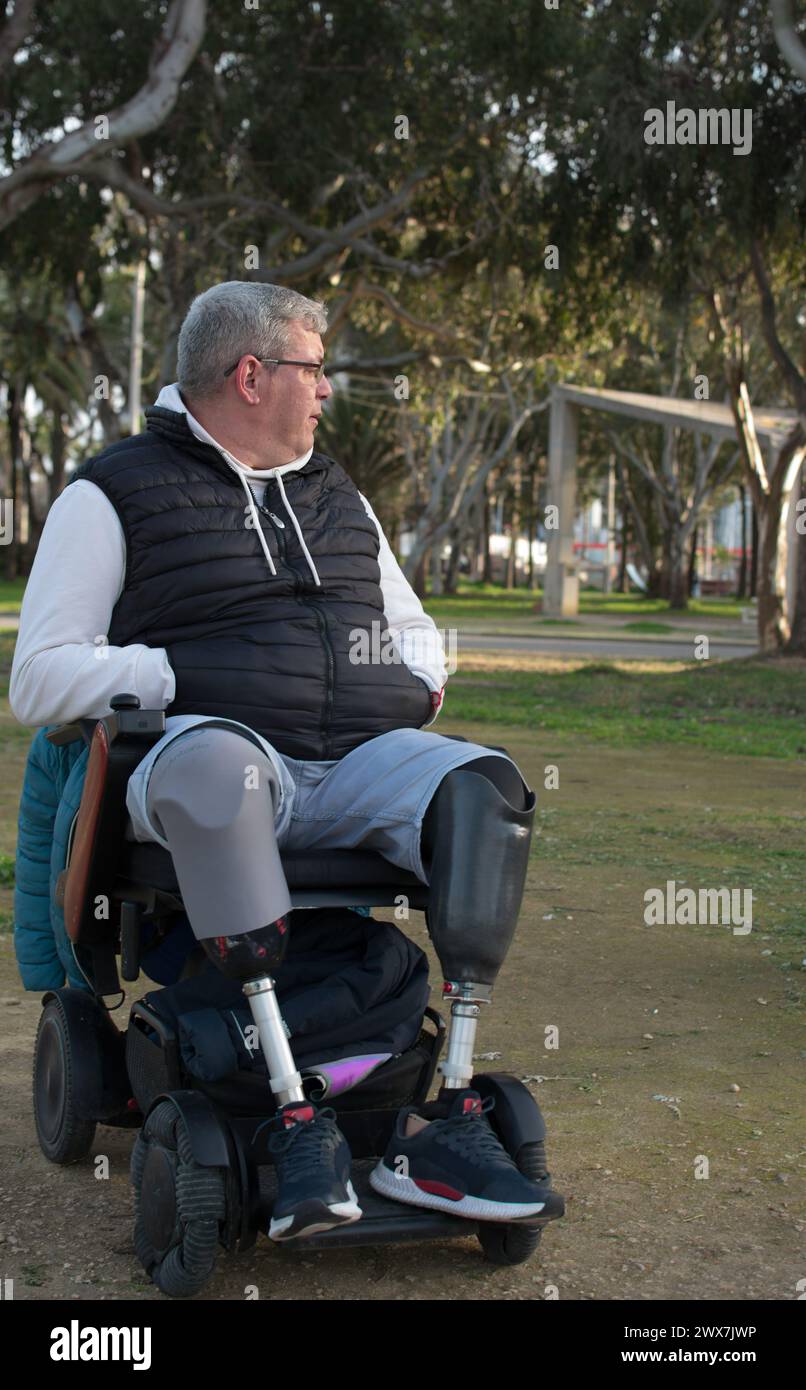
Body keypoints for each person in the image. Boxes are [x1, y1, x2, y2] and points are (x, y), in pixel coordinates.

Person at [10, 281, 543, 1241]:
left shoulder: (336, 495)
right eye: (315, 367)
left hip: (353, 762)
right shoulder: (110, 494)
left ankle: (452, 1111)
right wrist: (189, 672)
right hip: (213, 758)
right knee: (221, 774)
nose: (328, 389)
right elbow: (39, 680)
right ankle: (298, 1125)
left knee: (483, 787)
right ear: (251, 376)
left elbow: (423, 645)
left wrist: (408, 690)